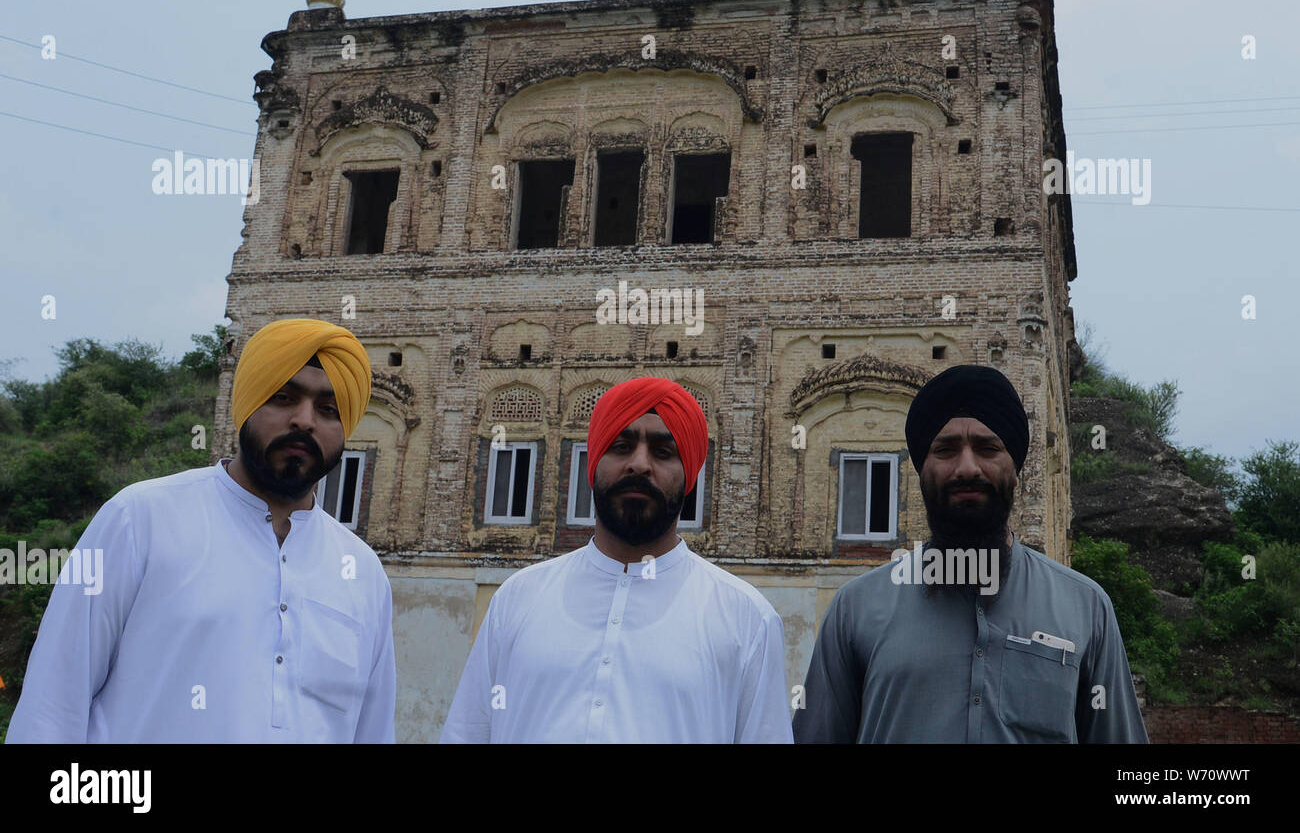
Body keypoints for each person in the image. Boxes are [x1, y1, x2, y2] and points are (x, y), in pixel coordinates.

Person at [7, 319, 396, 743]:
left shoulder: (361, 573)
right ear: (247, 403)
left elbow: (371, 732)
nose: (304, 420)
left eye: (328, 409)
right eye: (284, 398)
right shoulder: (139, 519)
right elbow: (52, 706)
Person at [792, 364, 1148, 743]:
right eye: (945, 450)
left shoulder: (1085, 607)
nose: (966, 467)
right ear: (921, 470)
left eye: (987, 448)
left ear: (1016, 470)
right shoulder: (856, 609)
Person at [441, 376, 793, 743]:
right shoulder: (518, 598)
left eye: (662, 451)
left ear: (689, 475)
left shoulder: (747, 618)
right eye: (622, 446)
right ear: (592, 463)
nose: (639, 465)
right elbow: (468, 731)